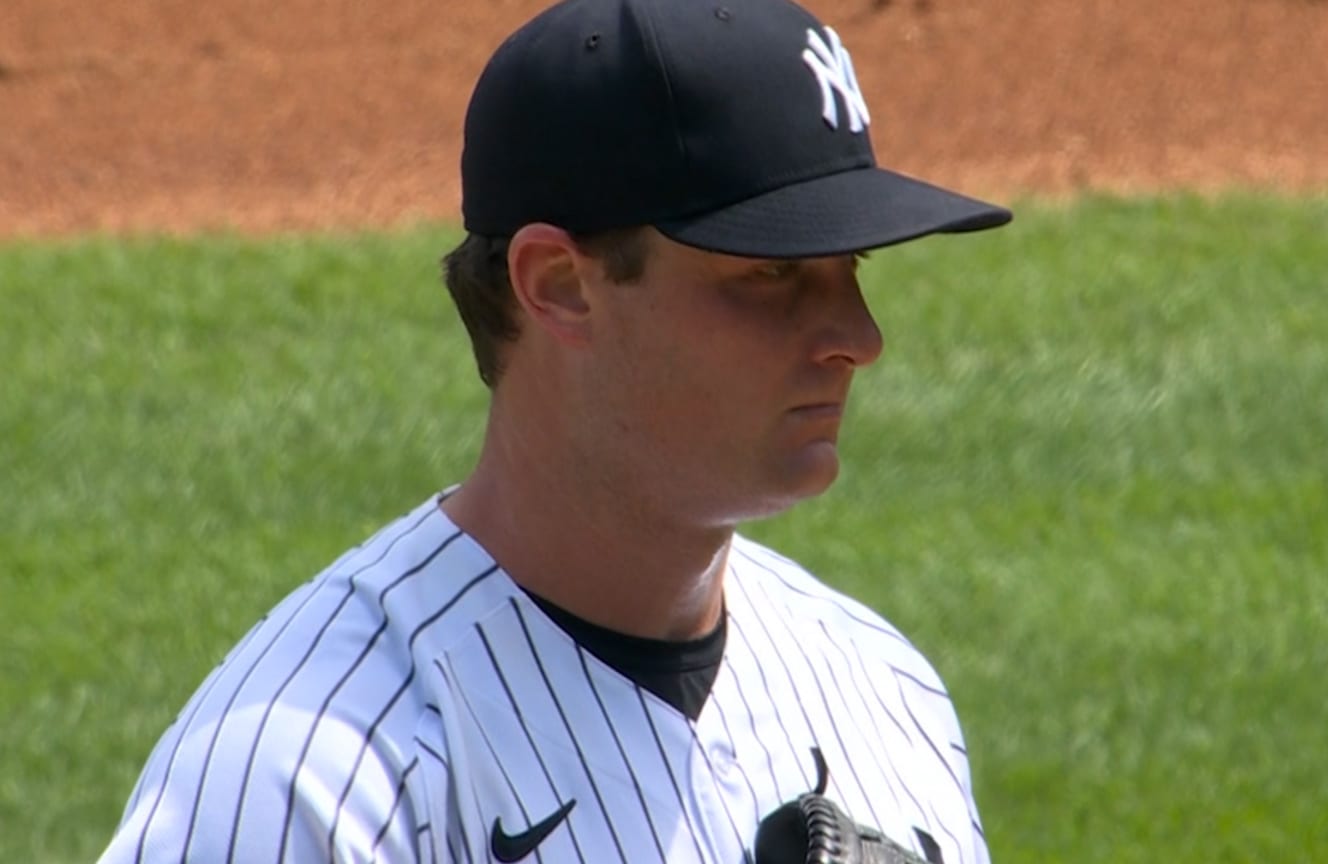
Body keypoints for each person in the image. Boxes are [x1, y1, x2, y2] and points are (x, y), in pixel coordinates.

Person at [97, 0, 1012, 860]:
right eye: (772, 278)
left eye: (849, 266)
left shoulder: (883, 691)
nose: (859, 337)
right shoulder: (310, 782)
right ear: (560, 286)